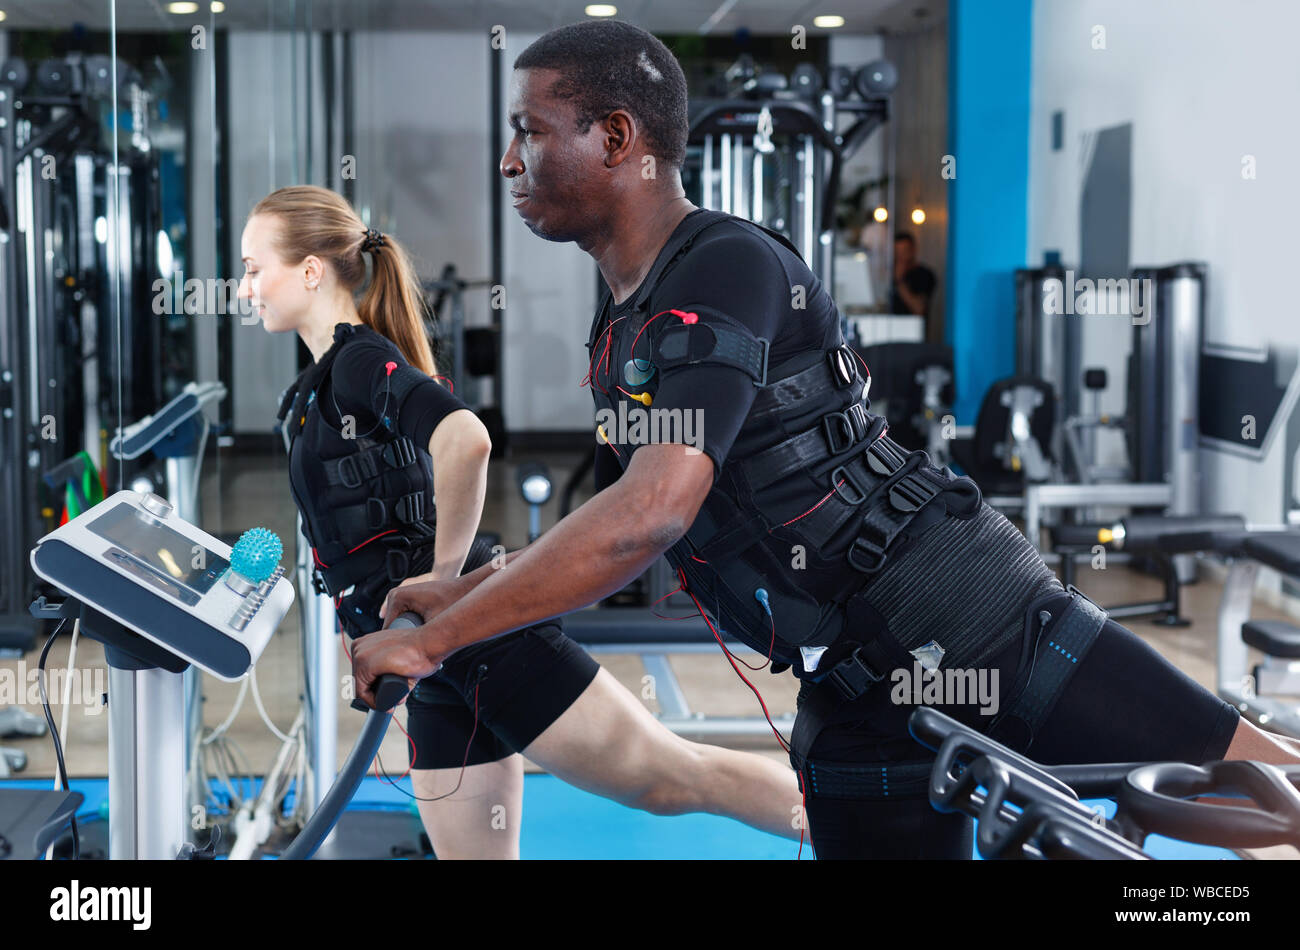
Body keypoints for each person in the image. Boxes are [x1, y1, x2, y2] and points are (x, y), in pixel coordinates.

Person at [353, 20, 1300, 859]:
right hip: (855, 685)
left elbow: (652, 514)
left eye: (529, 131)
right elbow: (622, 513)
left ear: (614, 139)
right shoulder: (623, 318)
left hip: (973, 617)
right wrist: (470, 587)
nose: (510, 162)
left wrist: (441, 637)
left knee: (1262, 794)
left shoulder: (724, 264)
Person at [239, 185, 802, 859]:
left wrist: (442, 586)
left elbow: (465, 439)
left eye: (253, 268)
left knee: (669, 776)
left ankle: (866, 835)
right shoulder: (317, 384)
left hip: (472, 639)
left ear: (309, 270)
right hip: (432, 663)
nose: (245, 288)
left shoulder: (358, 360)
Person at [888, 232, 936, 317]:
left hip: (913, 327)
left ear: (913, 250)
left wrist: (899, 281)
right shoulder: (888, 274)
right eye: (897, 253)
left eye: (904, 251)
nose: (901, 256)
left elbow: (919, 309)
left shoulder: (924, 275)